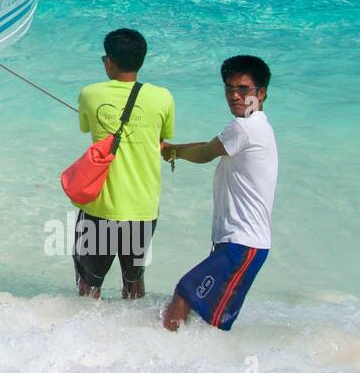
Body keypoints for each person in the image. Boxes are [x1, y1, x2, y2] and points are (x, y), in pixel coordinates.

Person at [161, 56, 278, 332]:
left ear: (261, 94)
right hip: (240, 243)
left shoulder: (245, 127)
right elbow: (211, 146)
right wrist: (173, 150)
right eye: (229, 88)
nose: (235, 96)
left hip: (243, 244)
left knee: (185, 294)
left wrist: (171, 151)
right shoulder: (254, 125)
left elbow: (205, 153)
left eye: (243, 89)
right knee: (208, 320)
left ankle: (162, 359)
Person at [72, 28, 175, 300]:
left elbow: (85, 127)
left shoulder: (90, 94)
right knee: (134, 280)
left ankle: (84, 338)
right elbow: (163, 139)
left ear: (109, 62)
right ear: (141, 60)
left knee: (89, 283)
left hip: (101, 207)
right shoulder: (163, 97)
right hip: (143, 209)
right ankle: (132, 332)